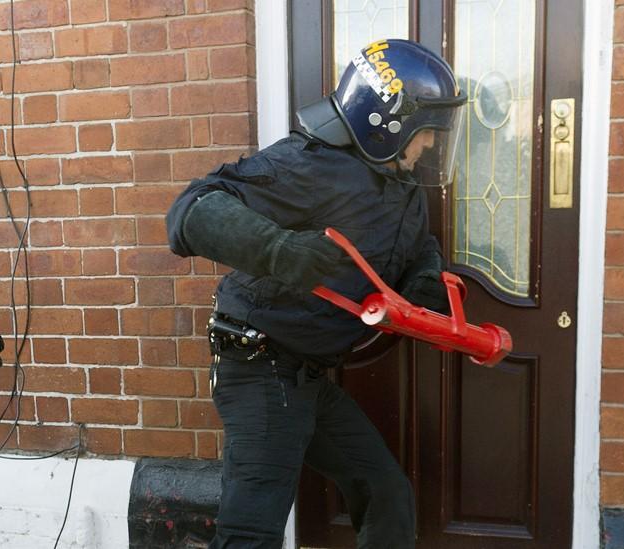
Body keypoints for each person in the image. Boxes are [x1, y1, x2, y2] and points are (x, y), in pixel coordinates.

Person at [165, 39, 466, 548]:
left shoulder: (403, 186)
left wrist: (425, 281)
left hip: (306, 376)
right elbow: (190, 210)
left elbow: (419, 247)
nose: (433, 146)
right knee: (251, 534)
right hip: (259, 366)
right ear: (390, 123)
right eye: (429, 132)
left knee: (386, 493)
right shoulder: (307, 165)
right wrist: (280, 250)